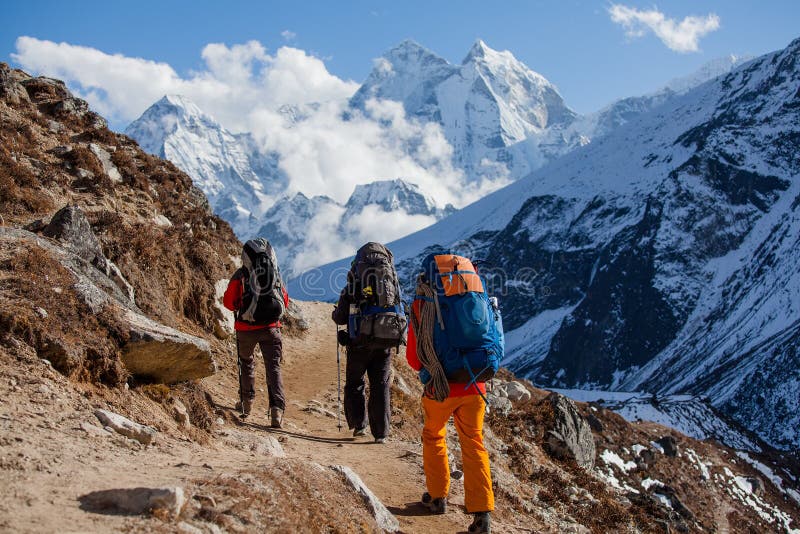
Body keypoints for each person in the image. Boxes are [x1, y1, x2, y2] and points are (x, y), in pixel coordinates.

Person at [406, 253, 497, 534]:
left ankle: (437, 497)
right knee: (474, 442)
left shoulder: (423, 304)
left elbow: (414, 359)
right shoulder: (478, 298)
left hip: (441, 387)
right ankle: (482, 514)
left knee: (434, 435)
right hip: (476, 384)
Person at [331, 242, 406, 443]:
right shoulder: (391, 285)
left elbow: (340, 318)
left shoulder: (352, 286)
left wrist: (335, 314)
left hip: (359, 343)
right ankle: (381, 434)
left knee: (355, 383)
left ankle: (359, 426)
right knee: (380, 385)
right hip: (384, 342)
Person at [223, 238, 289, 428]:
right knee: (273, 367)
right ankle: (276, 411)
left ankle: (247, 403)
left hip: (245, 329)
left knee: (246, 362)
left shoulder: (240, 275)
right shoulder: (274, 273)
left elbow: (229, 303)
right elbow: (284, 301)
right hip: (271, 328)